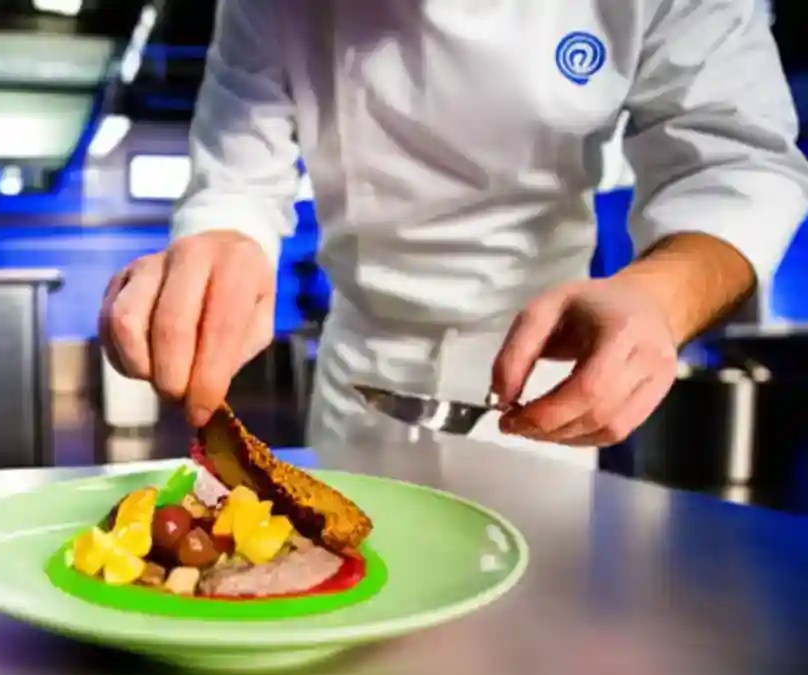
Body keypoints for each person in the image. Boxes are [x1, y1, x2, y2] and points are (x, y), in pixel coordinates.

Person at [99, 0, 808, 467]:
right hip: (362, 382)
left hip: (541, 389)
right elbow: (237, 177)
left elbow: (737, 158)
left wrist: (658, 298)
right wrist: (221, 245)